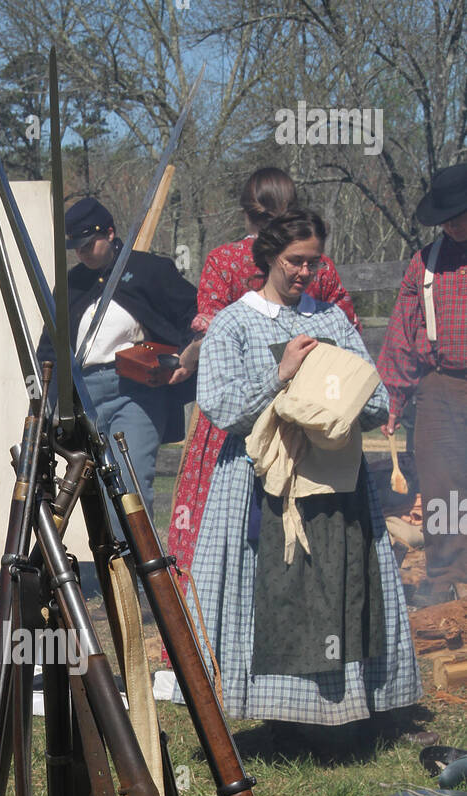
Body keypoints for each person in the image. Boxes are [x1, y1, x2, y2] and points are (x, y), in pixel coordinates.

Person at [174, 209, 420, 734]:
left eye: (313, 262)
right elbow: (221, 408)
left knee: (330, 584)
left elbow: (374, 398)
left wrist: (339, 400)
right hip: (256, 478)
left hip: (331, 480)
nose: (304, 272)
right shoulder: (233, 323)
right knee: (264, 588)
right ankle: (271, 711)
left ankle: (334, 709)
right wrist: (281, 374)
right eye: (294, 261)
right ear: (269, 257)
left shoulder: (330, 320)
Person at [166, 169, 359, 598]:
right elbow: (347, 322)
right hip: (308, 414)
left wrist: (190, 359)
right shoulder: (316, 263)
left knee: (219, 516)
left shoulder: (224, 260)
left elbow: (210, 329)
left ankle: (209, 610)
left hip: (240, 415)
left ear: (246, 210)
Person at [37, 196, 198, 519]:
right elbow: (49, 348)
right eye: (77, 246)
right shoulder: (70, 284)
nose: (82, 252)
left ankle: (141, 571)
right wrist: (50, 403)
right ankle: (112, 570)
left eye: (88, 243)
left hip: (136, 392)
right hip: (83, 396)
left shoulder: (151, 270)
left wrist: (187, 358)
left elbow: (196, 318)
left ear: (109, 233)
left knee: (130, 486)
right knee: (95, 495)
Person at [378, 164, 467, 601]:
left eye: (459, 214)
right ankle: (446, 579)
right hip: (439, 388)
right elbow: (400, 335)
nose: (451, 223)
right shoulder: (424, 264)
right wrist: (391, 402)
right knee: (441, 487)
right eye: (445, 216)